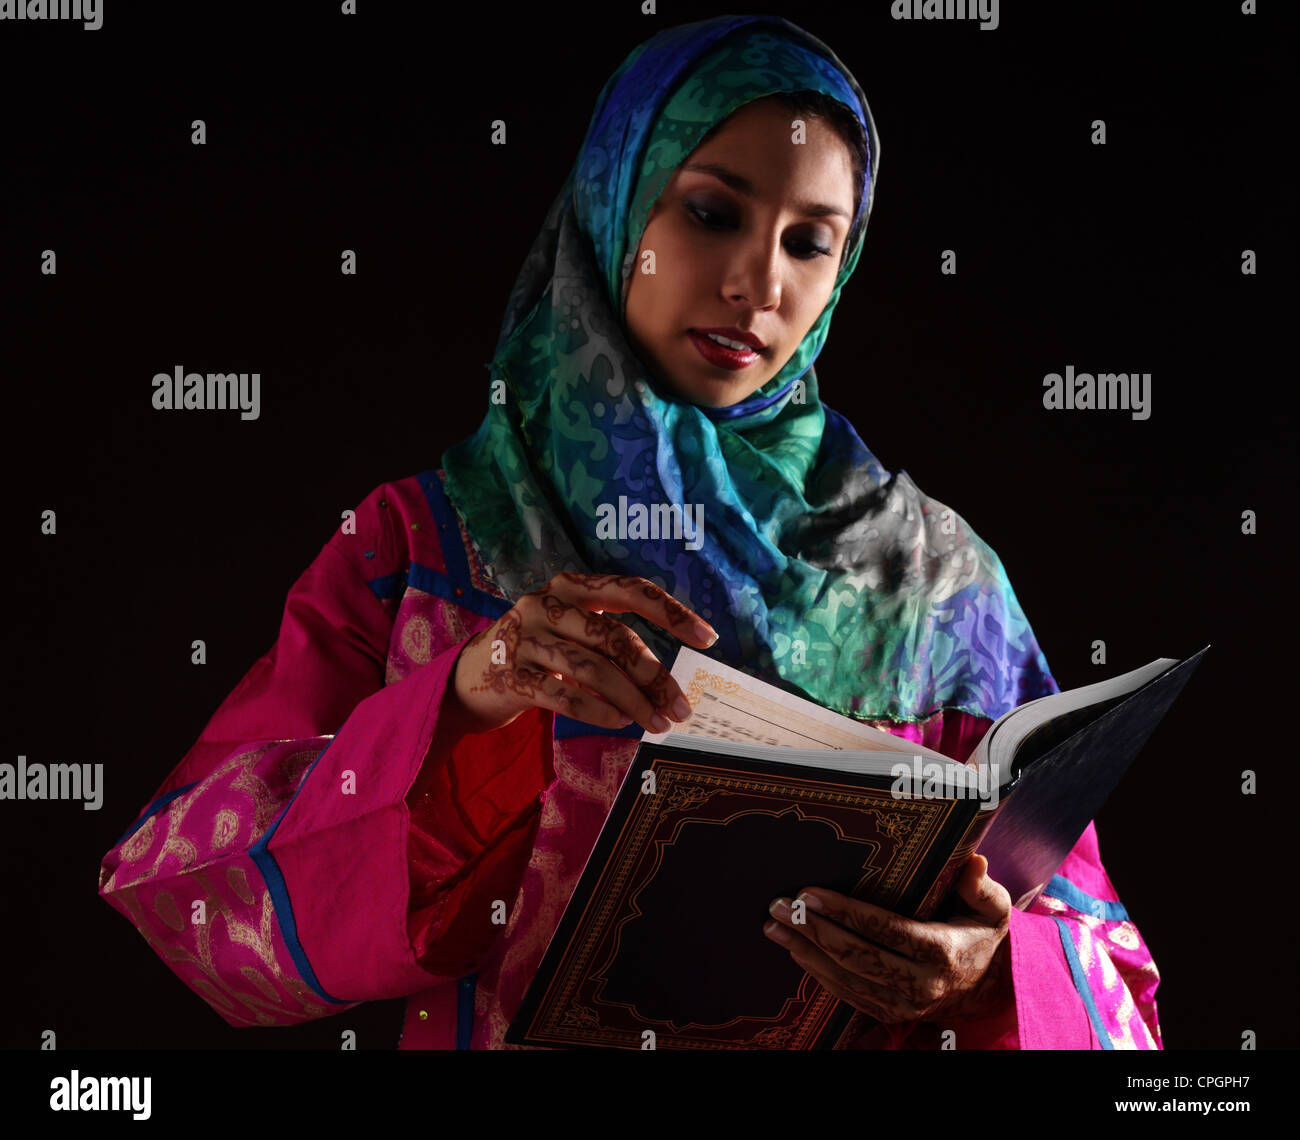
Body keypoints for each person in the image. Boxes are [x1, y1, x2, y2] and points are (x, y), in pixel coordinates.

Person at [98, 13, 1161, 1050]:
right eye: (710, 212)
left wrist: (986, 979)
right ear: (615, 206)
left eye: (809, 242)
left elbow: (1109, 984)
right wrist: (469, 699)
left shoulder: (936, 589)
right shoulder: (423, 544)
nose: (759, 283)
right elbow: (193, 901)